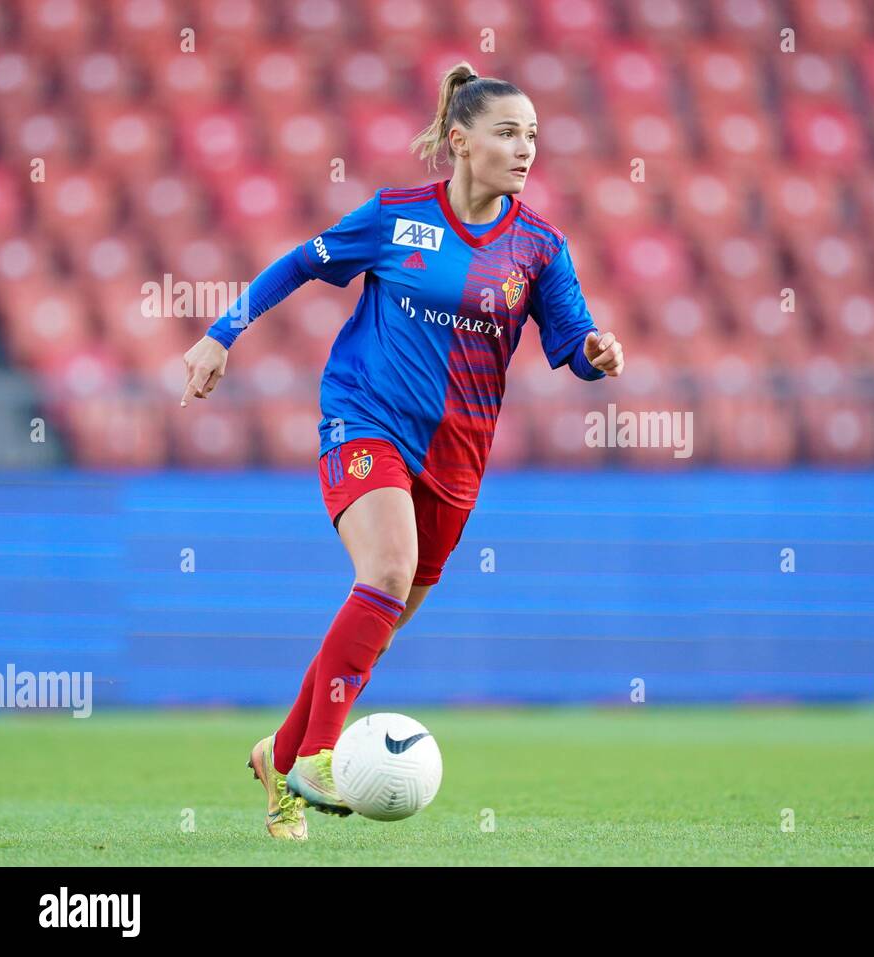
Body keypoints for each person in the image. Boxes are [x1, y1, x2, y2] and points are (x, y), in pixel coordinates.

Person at [181, 61, 624, 840]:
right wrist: (222, 334)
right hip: (365, 419)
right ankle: (318, 755)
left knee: (379, 616)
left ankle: (275, 759)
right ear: (460, 139)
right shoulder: (394, 217)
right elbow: (299, 263)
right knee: (382, 573)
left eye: (533, 135)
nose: (526, 149)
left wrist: (597, 351)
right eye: (508, 133)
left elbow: (572, 346)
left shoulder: (540, 248)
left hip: (458, 456)